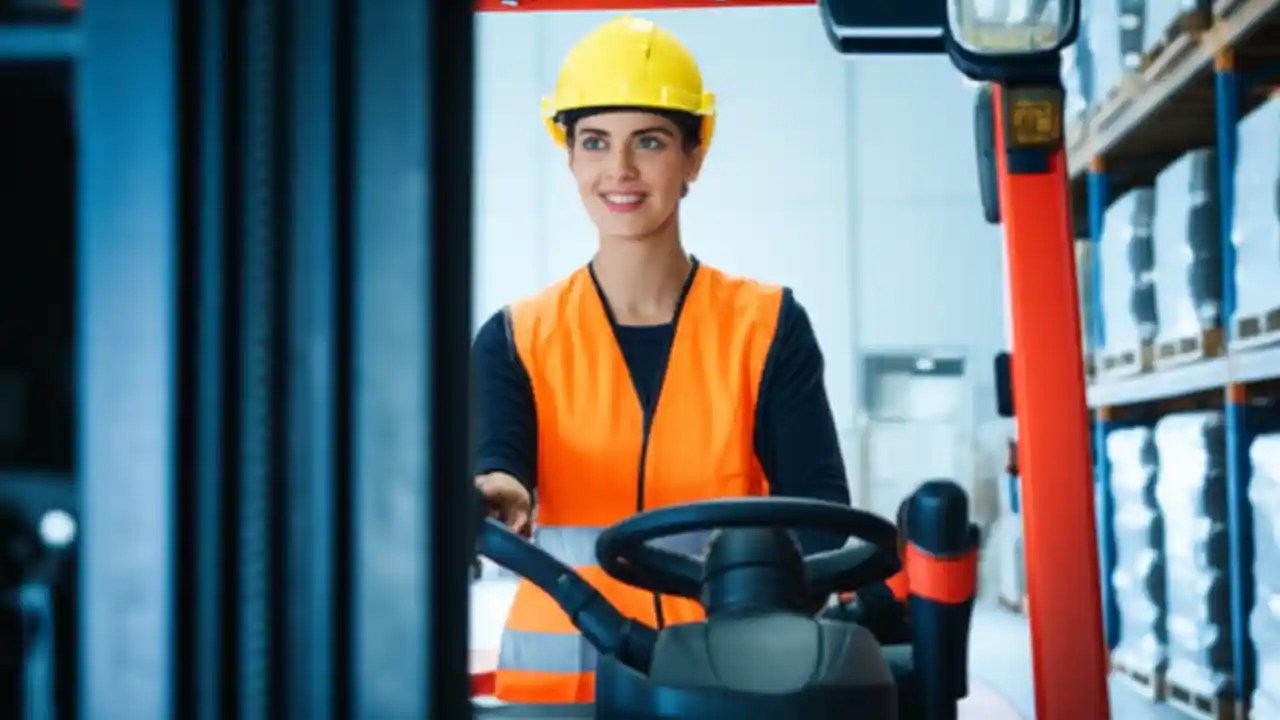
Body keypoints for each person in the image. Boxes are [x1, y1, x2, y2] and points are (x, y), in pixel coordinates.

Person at [472, 14, 853, 704]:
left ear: (694, 157)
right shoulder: (513, 336)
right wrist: (501, 488)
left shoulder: (767, 327)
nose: (619, 170)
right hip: (561, 695)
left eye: (648, 142)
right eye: (595, 143)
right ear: (571, 159)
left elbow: (822, 520)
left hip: (727, 685)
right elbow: (501, 460)